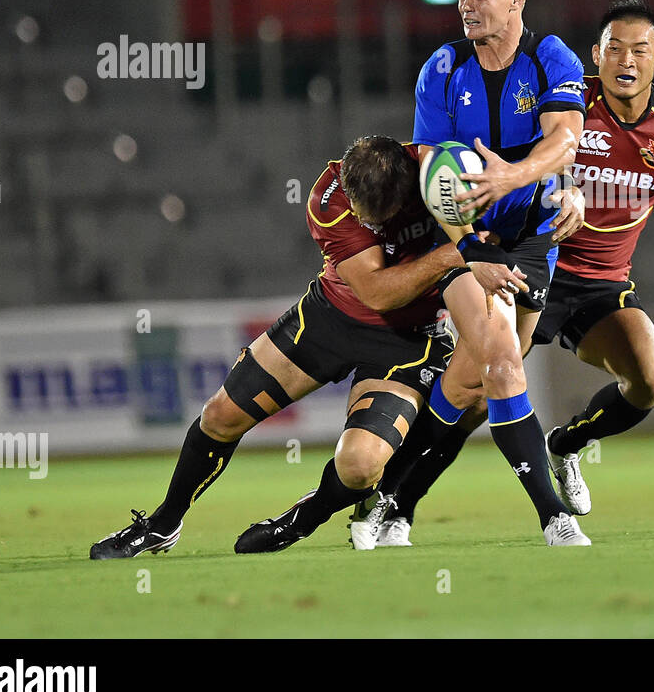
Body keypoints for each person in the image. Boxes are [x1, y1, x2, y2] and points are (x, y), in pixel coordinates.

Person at [352, 0, 654, 547]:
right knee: (478, 390)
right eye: (613, 47)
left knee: (648, 377)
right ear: (595, 54)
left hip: (600, 285)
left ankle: (565, 445)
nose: (626, 59)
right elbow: (518, 150)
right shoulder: (564, 96)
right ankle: (398, 504)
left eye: (640, 50)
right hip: (528, 258)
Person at [89, 136, 504, 557]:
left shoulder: (440, 173)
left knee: (360, 466)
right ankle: (163, 524)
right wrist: (457, 252)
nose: (373, 226)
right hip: (329, 319)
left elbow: (510, 192)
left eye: (383, 219)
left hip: (409, 342)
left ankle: (305, 517)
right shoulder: (329, 198)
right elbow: (378, 294)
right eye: (366, 218)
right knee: (219, 416)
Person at [396, 0, 592, 546]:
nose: (465, 6)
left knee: (470, 384)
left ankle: (393, 501)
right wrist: (468, 247)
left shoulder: (550, 57)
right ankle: (552, 516)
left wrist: (517, 177)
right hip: (463, 240)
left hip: (533, 240)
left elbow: (566, 141)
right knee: (504, 363)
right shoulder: (443, 68)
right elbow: (432, 167)